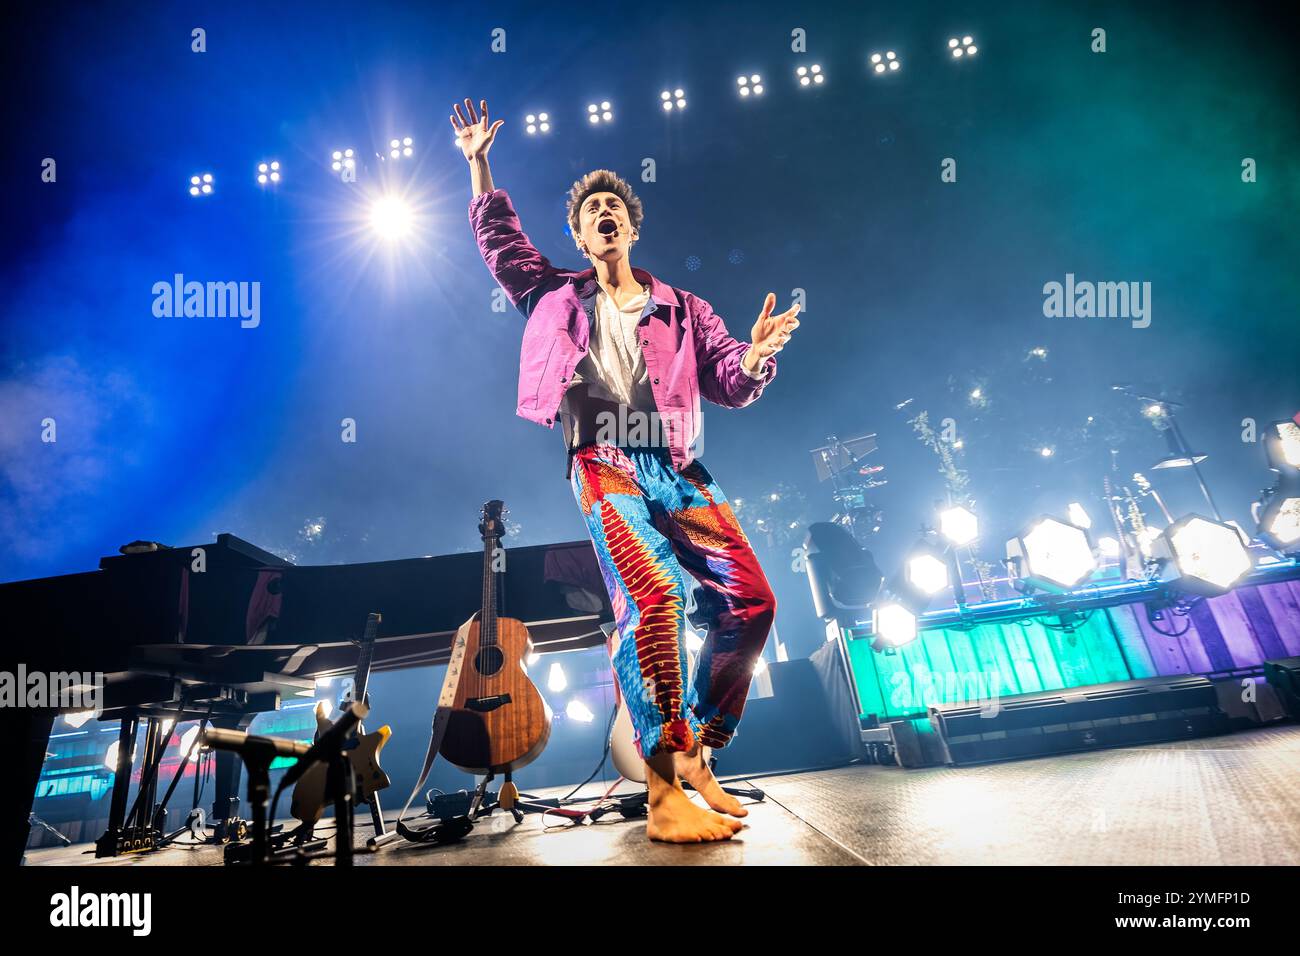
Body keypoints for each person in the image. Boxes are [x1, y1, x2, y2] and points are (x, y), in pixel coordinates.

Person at [453, 98, 800, 842]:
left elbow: (729, 382)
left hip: (677, 463)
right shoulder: (553, 294)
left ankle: (703, 744)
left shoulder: (684, 306)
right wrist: (479, 161)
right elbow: (499, 242)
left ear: (632, 227)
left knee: (753, 601)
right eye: (592, 210)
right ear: (580, 235)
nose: (605, 214)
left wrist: (756, 356)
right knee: (652, 592)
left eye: (615, 206)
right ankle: (665, 786)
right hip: (602, 456)